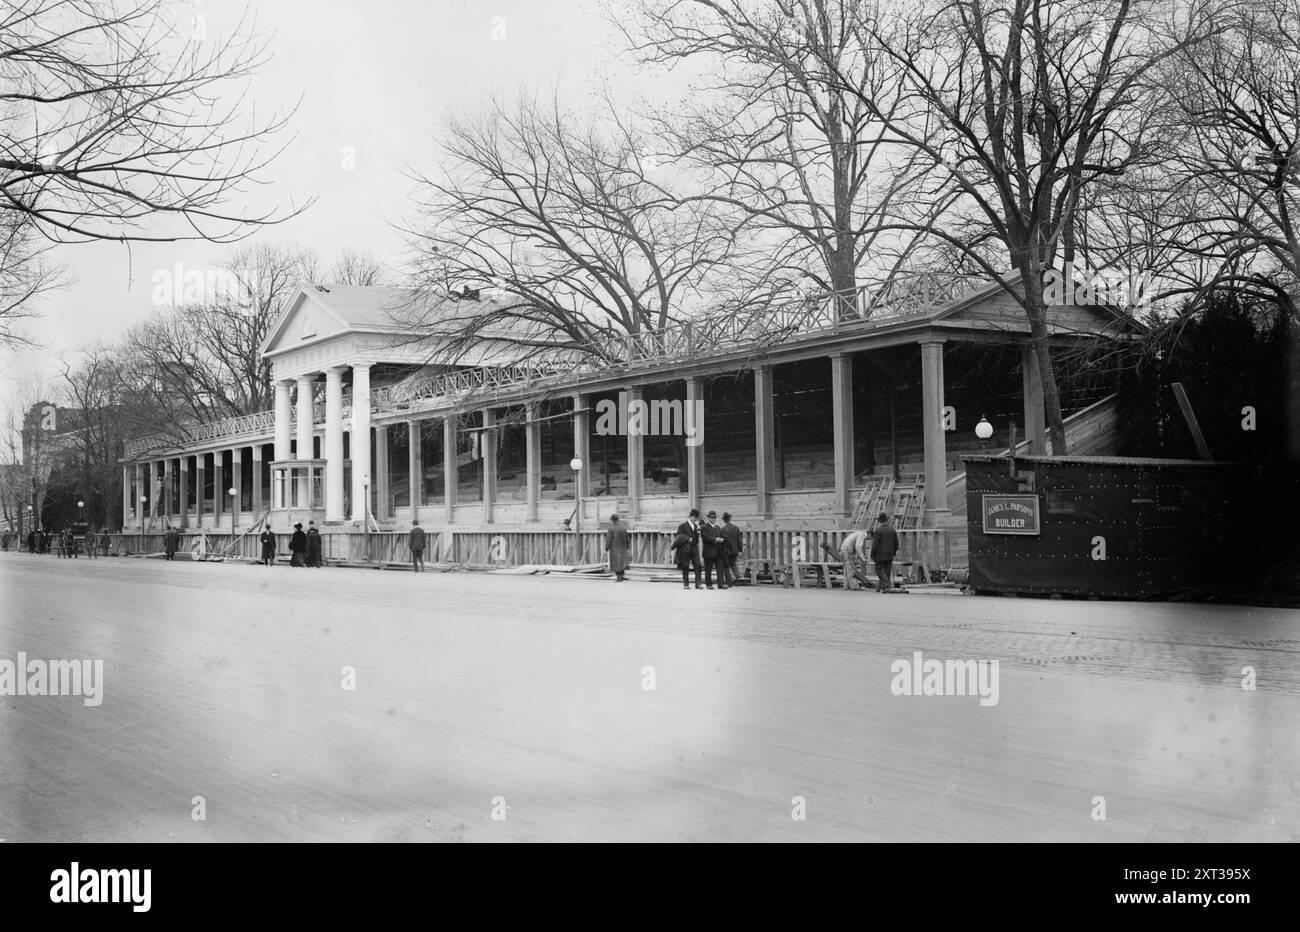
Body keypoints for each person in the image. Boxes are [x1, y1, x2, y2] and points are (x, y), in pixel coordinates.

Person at [673, 508, 704, 590]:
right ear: (690, 516)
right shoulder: (682, 526)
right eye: (694, 517)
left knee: (698, 565)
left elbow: (697, 540)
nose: (695, 519)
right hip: (685, 549)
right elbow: (678, 536)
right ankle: (686, 584)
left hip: (694, 548)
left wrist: (698, 532)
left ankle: (698, 584)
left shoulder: (696, 526)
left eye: (696, 518)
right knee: (685, 566)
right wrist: (687, 539)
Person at [870, 512, 899, 594]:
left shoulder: (879, 530)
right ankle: (884, 588)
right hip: (889, 555)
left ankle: (886, 584)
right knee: (887, 572)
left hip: (880, 555)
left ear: (880, 521)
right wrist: (893, 552)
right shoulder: (892, 530)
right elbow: (896, 543)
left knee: (878, 569)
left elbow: (875, 544)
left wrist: (872, 555)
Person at [700, 510, 729, 589]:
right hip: (709, 552)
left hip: (718, 552)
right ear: (708, 518)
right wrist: (716, 540)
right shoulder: (704, 527)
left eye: (714, 518)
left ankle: (721, 584)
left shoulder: (718, 528)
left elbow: (722, 536)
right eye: (711, 517)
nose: (713, 519)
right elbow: (706, 538)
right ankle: (709, 584)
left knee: (720, 569)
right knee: (708, 569)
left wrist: (723, 539)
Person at [720, 513, 743, 586]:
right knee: (733, 564)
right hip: (735, 550)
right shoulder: (736, 528)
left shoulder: (723, 529)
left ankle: (732, 579)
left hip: (727, 550)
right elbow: (739, 540)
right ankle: (738, 577)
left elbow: (724, 541)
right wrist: (740, 550)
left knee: (726, 565)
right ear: (729, 519)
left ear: (724, 520)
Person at [605, 514, 629, 582]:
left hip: (615, 547)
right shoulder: (623, 528)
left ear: (612, 521)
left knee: (616, 562)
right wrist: (627, 547)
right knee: (622, 561)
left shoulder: (611, 529)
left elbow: (609, 539)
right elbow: (627, 538)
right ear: (618, 520)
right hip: (623, 547)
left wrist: (606, 548)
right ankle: (622, 575)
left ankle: (619, 577)